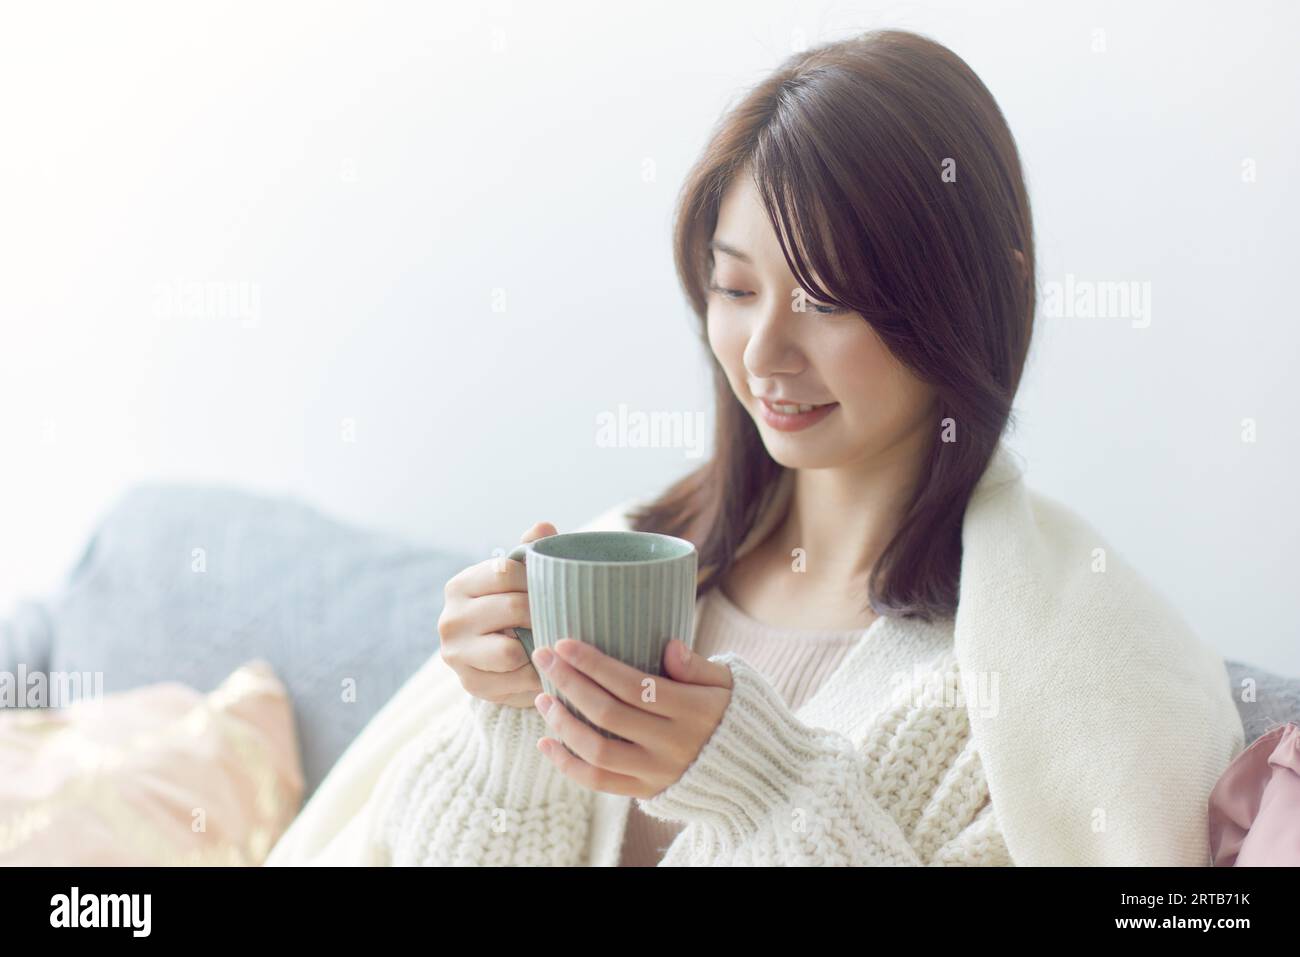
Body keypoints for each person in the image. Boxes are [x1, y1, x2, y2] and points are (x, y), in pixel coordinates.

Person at [265, 28, 1243, 868]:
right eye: (735, 290)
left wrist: (768, 788)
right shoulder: (639, 563)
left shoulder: (1062, 667)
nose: (765, 352)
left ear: (972, 295)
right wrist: (518, 726)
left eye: (824, 298)